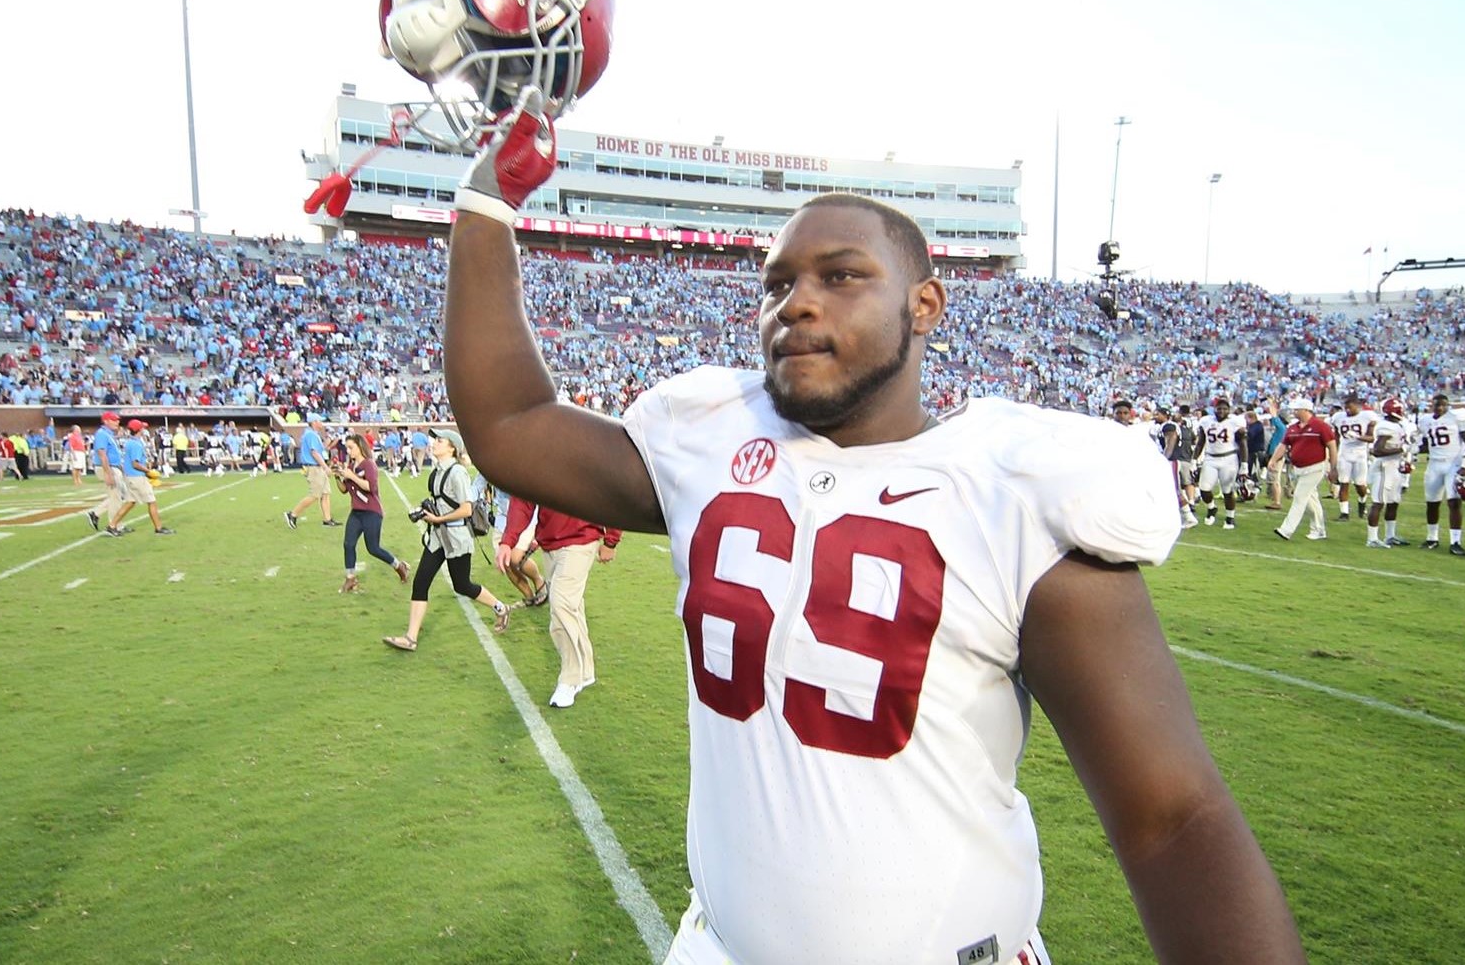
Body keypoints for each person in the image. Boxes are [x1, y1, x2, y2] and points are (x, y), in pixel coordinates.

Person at [444, 129, 1304, 964]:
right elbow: (511, 425)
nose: (798, 303)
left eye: (841, 276)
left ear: (924, 303)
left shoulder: (1015, 488)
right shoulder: (709, 442)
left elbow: (1173, 818)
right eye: (775, 286)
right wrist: (489, 198)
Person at [383, 429, 509, 651]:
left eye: (440, 441)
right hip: (438, 537)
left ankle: (500, 607)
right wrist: (425, 512)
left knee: (462, 585)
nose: (434, 444)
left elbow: (466, 509)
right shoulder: (436, 471)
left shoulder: (457, 472)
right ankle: (410, 638)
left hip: (457, 537)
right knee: (420, 582)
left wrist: (438, 518)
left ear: (452, 447)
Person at [496, 492, 620, 708]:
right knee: (571, 606)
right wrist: (507, 541)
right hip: (550, 543)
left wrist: (611, 540)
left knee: (561, 604)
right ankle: (586, 670)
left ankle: (569, 680)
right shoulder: (534, 462)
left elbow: (610, 491)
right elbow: (523, 500)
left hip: (582, 540)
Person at [331, 432, 409, 592]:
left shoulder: (369, 464)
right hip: (356, 512)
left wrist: (351, 476)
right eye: (347, 448)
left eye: (351, 447)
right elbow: (344, 490)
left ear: (360, 447)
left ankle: (398, 565)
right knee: (348, 544)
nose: (348, 451)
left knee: (373, 548)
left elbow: (371, 487)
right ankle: (350, 579)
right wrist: (338, 477)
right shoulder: (351, 466)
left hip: (372, 512)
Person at [1417, 393, 1465, 554]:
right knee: (1432, 502)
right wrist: (1411, 450)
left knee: (1454, 502)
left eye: (1444, 405)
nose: (1440, 408)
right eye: (1437, 405)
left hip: (1454, 464)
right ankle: (1432, 538)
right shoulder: (1425, 421)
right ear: (1432, 405)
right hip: (1434, 464)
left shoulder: (1457, 417)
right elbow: (1426, 444)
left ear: (1448, 405)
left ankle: (1455, 542)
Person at [1270, 398, 1336, 541]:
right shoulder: (1293, 428)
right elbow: (1283, 446)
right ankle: (1319, 529)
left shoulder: (1320, 426)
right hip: (1298, 468)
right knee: (1310, 499)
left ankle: (1286, 529)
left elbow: (1331, 445)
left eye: (1297, 410)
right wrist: (1273, 459)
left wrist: (1333, 466)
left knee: (1299, 497)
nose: (1294, 412)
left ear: (1306, 410)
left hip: (1315, 466)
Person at [107, 420, 175, 536]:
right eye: (142, 428)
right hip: (137, 477)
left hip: (131, 476)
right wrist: (148, 471)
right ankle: (158, 528)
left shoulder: (131, 442)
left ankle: (112, 525)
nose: (144, 430)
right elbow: (135, 463)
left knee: (130, 502)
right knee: (151, 501)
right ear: (139, 430)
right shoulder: (136, 444)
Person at [1363, 399, 1413, 547]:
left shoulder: (1397, 425)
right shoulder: (1386, 426)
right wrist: (1401, 450)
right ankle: (1372, 538)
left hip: (1395, 467)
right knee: (1378, 503)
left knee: (1393, 503)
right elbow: (1378, 451)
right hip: (1384, 467)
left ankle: (1390, 536)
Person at [1191, 397, 1246, 529]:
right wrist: (1194, 460)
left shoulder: (1235, 422)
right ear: (1214, 409)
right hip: (1210, 458)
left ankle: (1230, 517)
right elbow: (1200, 442)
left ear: (1229, 410)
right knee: (1204, 488)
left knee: (1228, 491)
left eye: (1225, 408)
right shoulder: (1206, 421)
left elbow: (1243, 444)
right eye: (1219, 408)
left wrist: (1244, 465)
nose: (1221, 411)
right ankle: (1211, 508)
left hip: (1229, 458)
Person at [284, 419, 338, 529]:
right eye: (320, 421)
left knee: (325, 493)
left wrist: (330, 439)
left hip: (317, 467)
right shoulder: (311, 435)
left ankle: (327, 519)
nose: (322, 423)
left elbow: (321, 448)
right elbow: (314, 452)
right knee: (314, 495)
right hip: (314, 468)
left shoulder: (311, 434)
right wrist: (325, 467)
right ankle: (293, 514)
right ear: (314, 422)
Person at [1331, 395, 1377, 521]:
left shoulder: (1367, 417)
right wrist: (1333, 454)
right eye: (1345, 407)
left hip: (1360, 454)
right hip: (1344, 453)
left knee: (1360, 485)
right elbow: (1335, 437)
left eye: (1350, 407)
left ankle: (1362, 500)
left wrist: (1357, 437)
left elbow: (1371, 438)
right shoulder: (1338, 417)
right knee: (1343, 483)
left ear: (1357, 406)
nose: (1347, 410)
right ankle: (1344, 513)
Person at [85, 412, 125, 532]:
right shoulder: (102, 434)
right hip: (108, 467)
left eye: (117, 420)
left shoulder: (108, 434)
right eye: (113, 420)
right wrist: (108, 473)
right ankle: (114, 525)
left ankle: (95, 513)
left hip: (113, 467)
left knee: (119, 495)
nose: (117, 422)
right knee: (115, 497)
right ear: (106, 421)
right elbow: (102, 454)